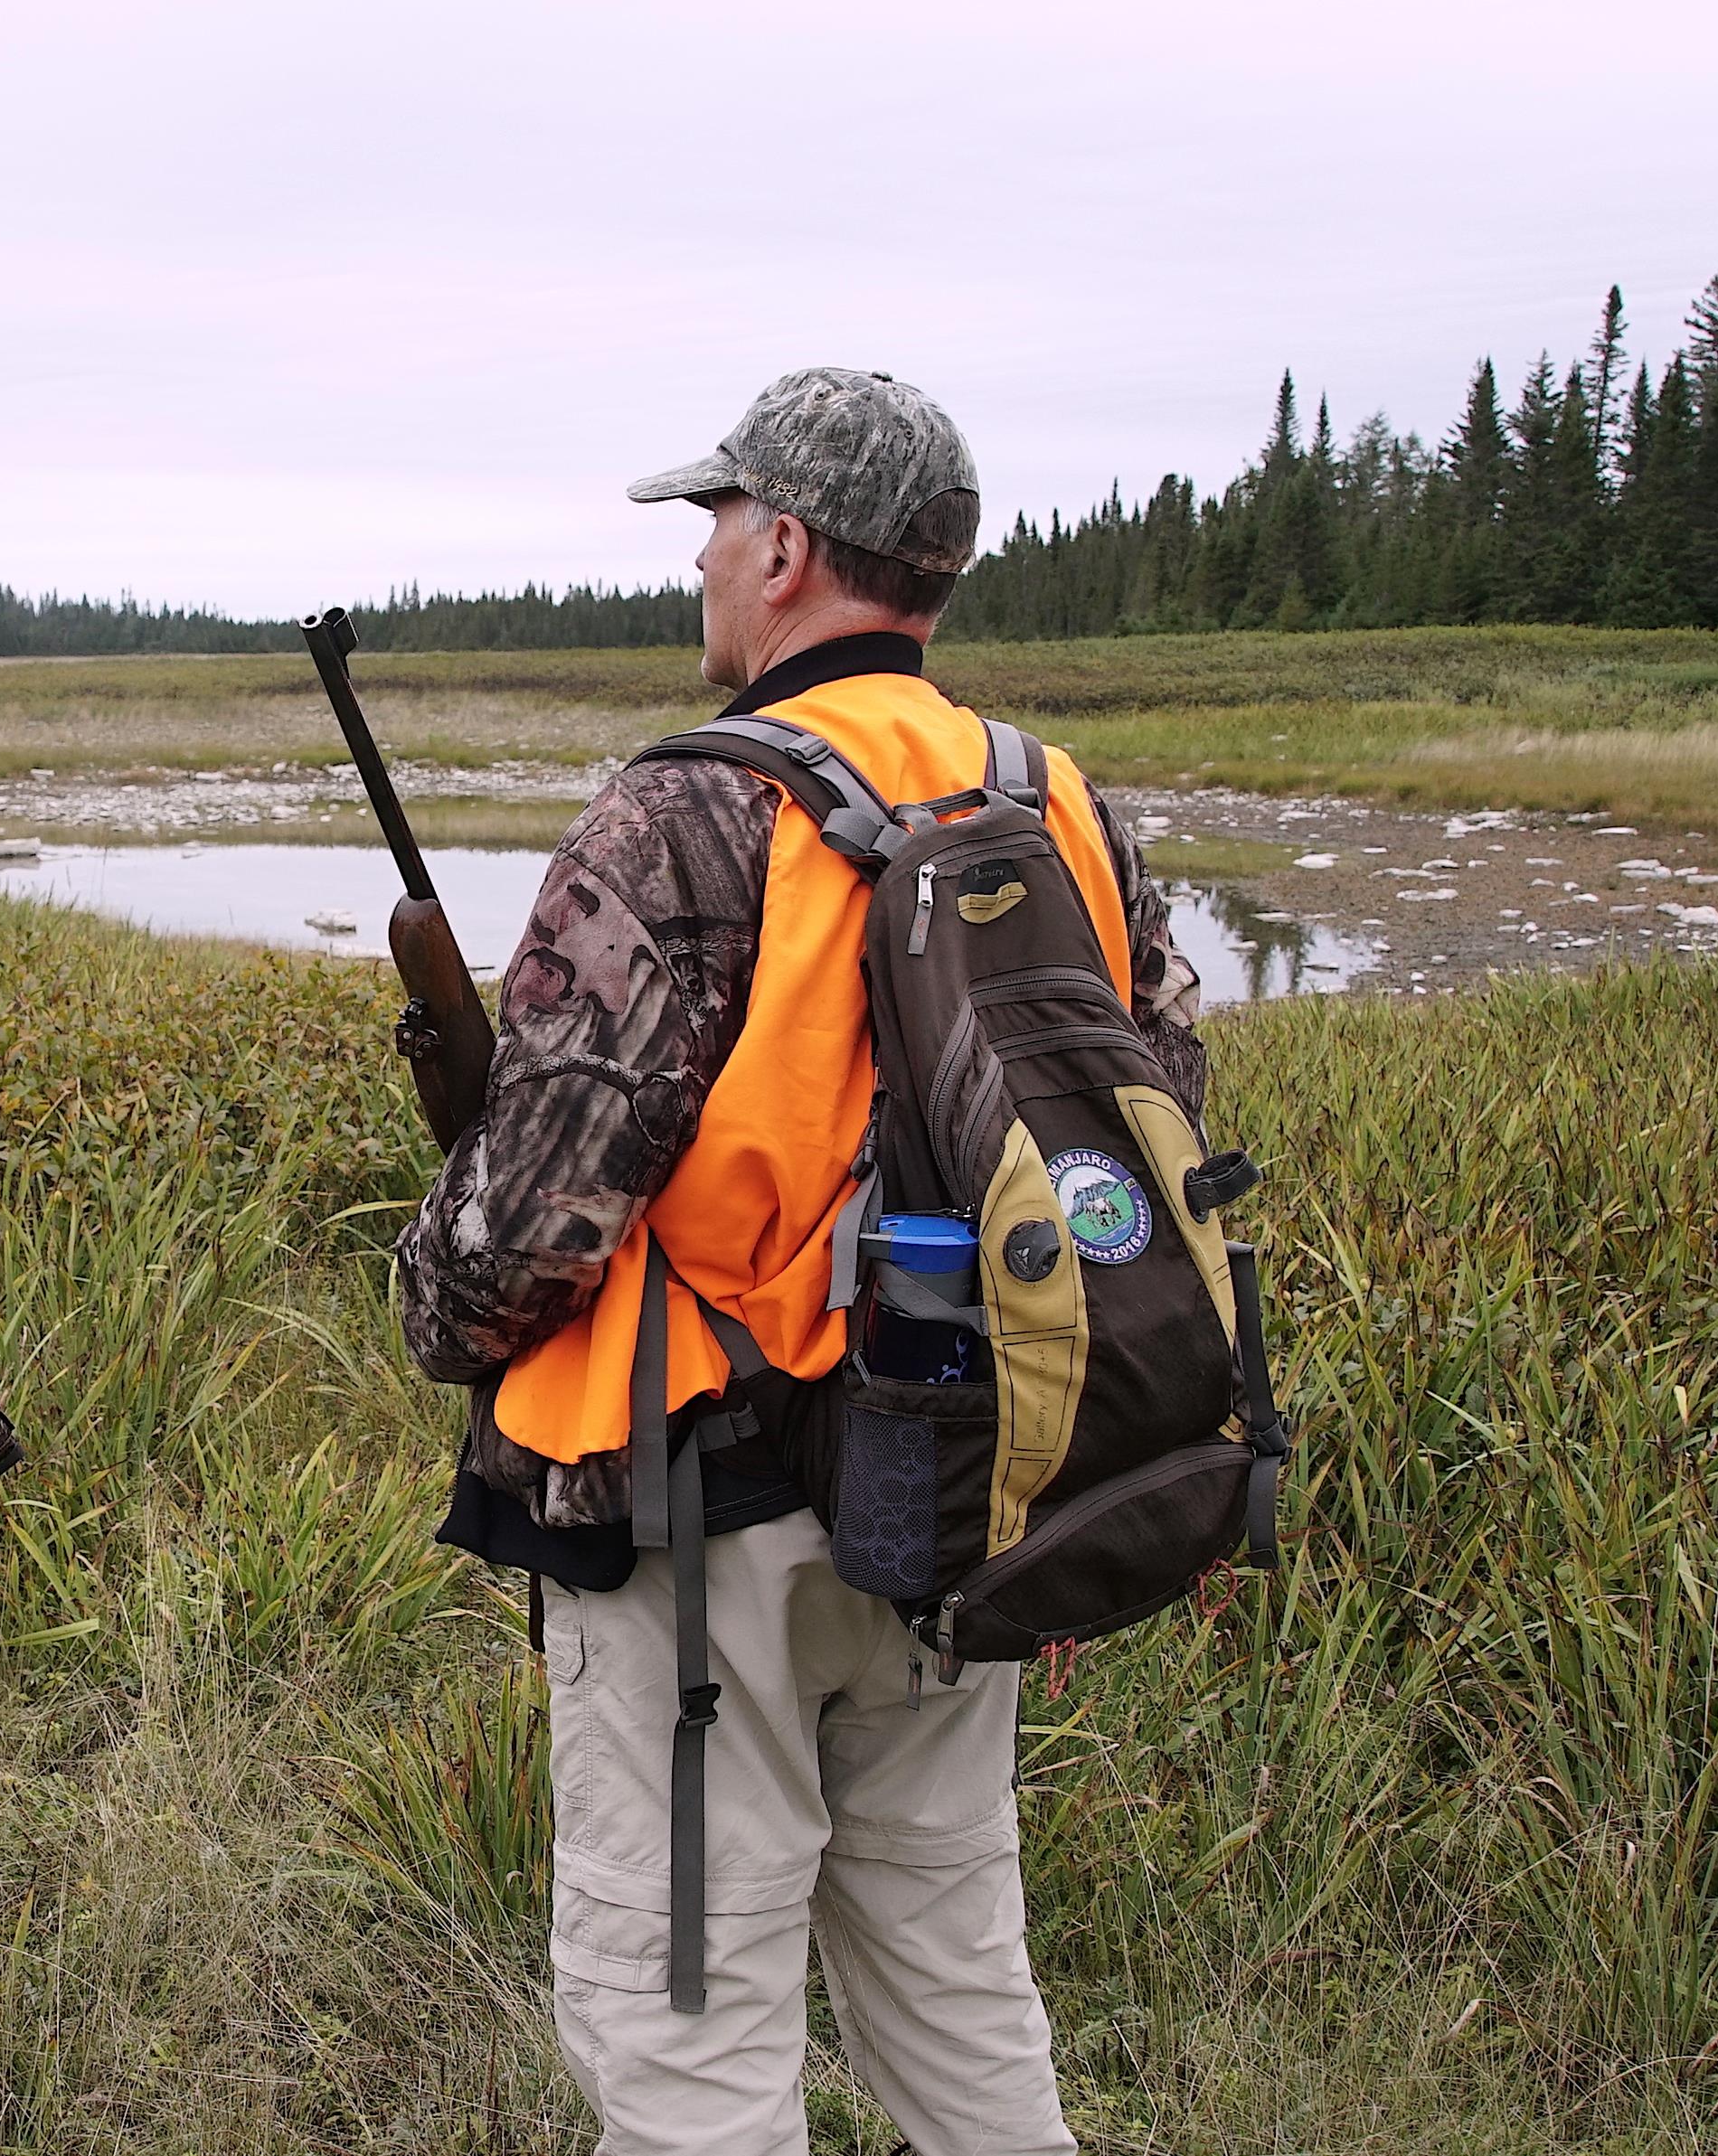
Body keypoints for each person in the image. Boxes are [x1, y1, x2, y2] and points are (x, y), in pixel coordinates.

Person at [395, 368, 1208, 2154]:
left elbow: (524, 1229)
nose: (697, 564)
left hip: (703, 1519)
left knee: (687, 2014)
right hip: (966, 1487)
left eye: (711, 525)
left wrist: (425, 1287)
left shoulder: (681, 812)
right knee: (954, 1980)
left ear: (782, 547)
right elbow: (1153, 1129)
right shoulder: (1054, 799)